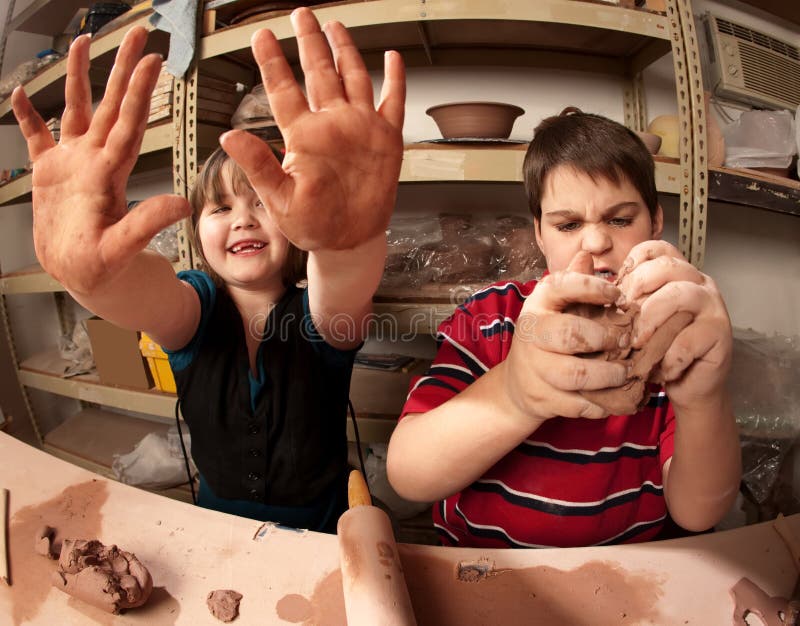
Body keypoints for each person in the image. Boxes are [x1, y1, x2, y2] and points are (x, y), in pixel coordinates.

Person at [11, 8, 406, 532]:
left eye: (262, 202)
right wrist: (98, 281)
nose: (243, 220)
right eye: (220, 208)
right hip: (217, 523)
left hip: (322, 528)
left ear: (295, 220)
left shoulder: (316, 309)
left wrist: (348, 243)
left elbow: (344, 284)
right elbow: (148, 297)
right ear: (197, 232)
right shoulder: (195, 304)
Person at [386, 109, 741, 548]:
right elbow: (409, 474)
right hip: (486, 567)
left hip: (628, 567)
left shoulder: (674, 334)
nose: (595, 242)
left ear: (655, 221)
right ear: (539, 234)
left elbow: (699, 512)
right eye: (568, 225)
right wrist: (515, 392)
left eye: (620, 219)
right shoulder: (490, 318)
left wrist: (704, 400)